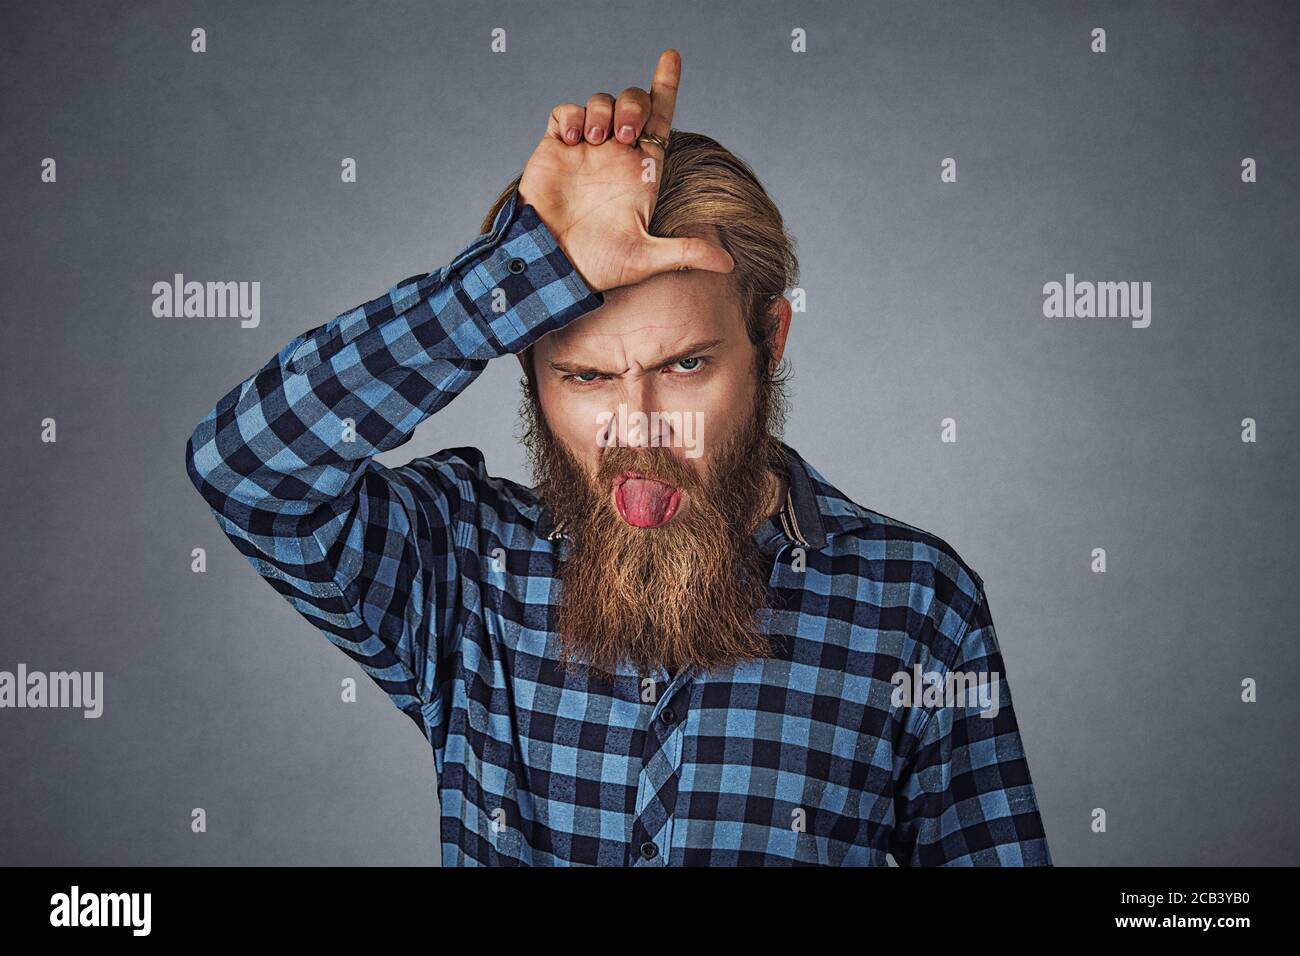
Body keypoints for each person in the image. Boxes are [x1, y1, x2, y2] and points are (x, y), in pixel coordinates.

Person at [185, 49, 1051, 866]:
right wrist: (509, 283)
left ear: (770, 341)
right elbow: (246, 467)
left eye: (686, 365)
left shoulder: (918, 605)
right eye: (588, 375)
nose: (638, 430)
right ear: (528, 370)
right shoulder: (462, 569)